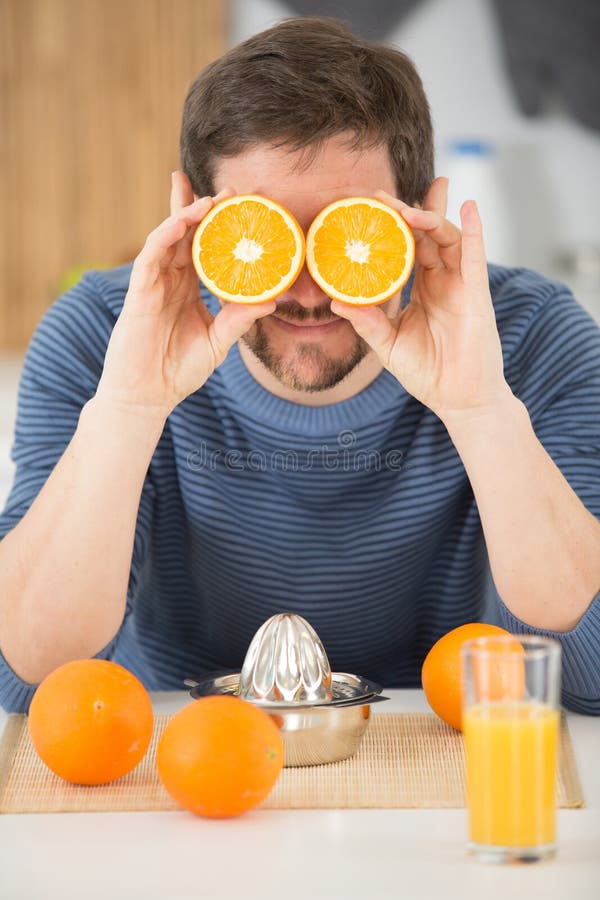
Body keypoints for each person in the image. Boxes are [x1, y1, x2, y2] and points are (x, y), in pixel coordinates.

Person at [0, 17, 599, 715]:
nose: (309, 291)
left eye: (348, 235)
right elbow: (28, 679)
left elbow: (589, 677)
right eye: (267, 235)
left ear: (415, 216)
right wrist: (131, 407)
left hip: (451, 750)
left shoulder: (532, 334)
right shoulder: (103, 333)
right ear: (197, 220)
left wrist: (480, 409)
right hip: (188, 748)